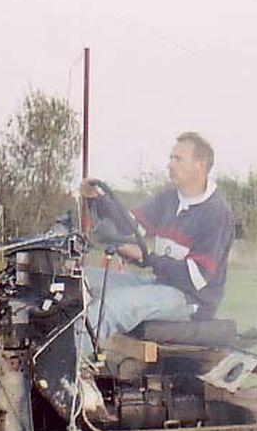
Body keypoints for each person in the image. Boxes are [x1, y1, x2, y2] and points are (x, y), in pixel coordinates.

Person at [79, 131, 235, 354]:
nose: (170, 165)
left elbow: (195, 278)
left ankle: (68, 368)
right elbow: (127, 228)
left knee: (111, 305)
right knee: (80, 280)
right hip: (159, 285)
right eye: (170, 158)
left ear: (199, 165)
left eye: (178, 159)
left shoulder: (217, 213)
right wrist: (97, 201)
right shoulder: (169, 199)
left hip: (190, 300)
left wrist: (148, 258)